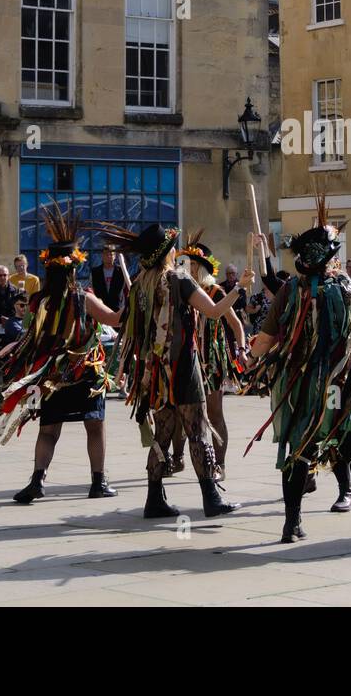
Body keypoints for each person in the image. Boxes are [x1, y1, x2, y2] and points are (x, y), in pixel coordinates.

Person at [246, 196, 351, 546]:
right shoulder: (344, 288)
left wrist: (251, 356)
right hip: (341, 384)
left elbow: (263, 342)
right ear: (329, 259)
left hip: (302, 385)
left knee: (299, 449)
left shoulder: (288, 291)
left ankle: (291, 525)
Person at [103, 221, 249, 519]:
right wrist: (240, 289)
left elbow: (125, 324)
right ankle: (211, 498)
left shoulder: (140, 284)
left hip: (154, 370)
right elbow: (214, 311)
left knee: (164, 433)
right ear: (167, 252)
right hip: (183, 365)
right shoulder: (179, 279)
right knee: (197, 430)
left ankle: (154, 499)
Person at [0, 206, 127, 503]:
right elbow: (115, 320)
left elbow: (31, 337)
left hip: (53, 375)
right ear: (73, 269)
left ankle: (37, 481)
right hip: (84, 371)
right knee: (94, 426)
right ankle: (98, 482)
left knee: (48, 429)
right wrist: (134, 302)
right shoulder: (84, 298)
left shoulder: (39, 301)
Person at [167, 233, 247, 480]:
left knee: (214, 413)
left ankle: (219, 465)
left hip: (211, 360)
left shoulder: (215, 292)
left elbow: (235, 324)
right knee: (180, 411)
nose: (186, 267)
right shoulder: (180, 290)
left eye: (191, 264)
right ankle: (177, 458)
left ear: (200, 267)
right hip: (187, 357)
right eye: (184, 263)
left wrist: (242, 350)